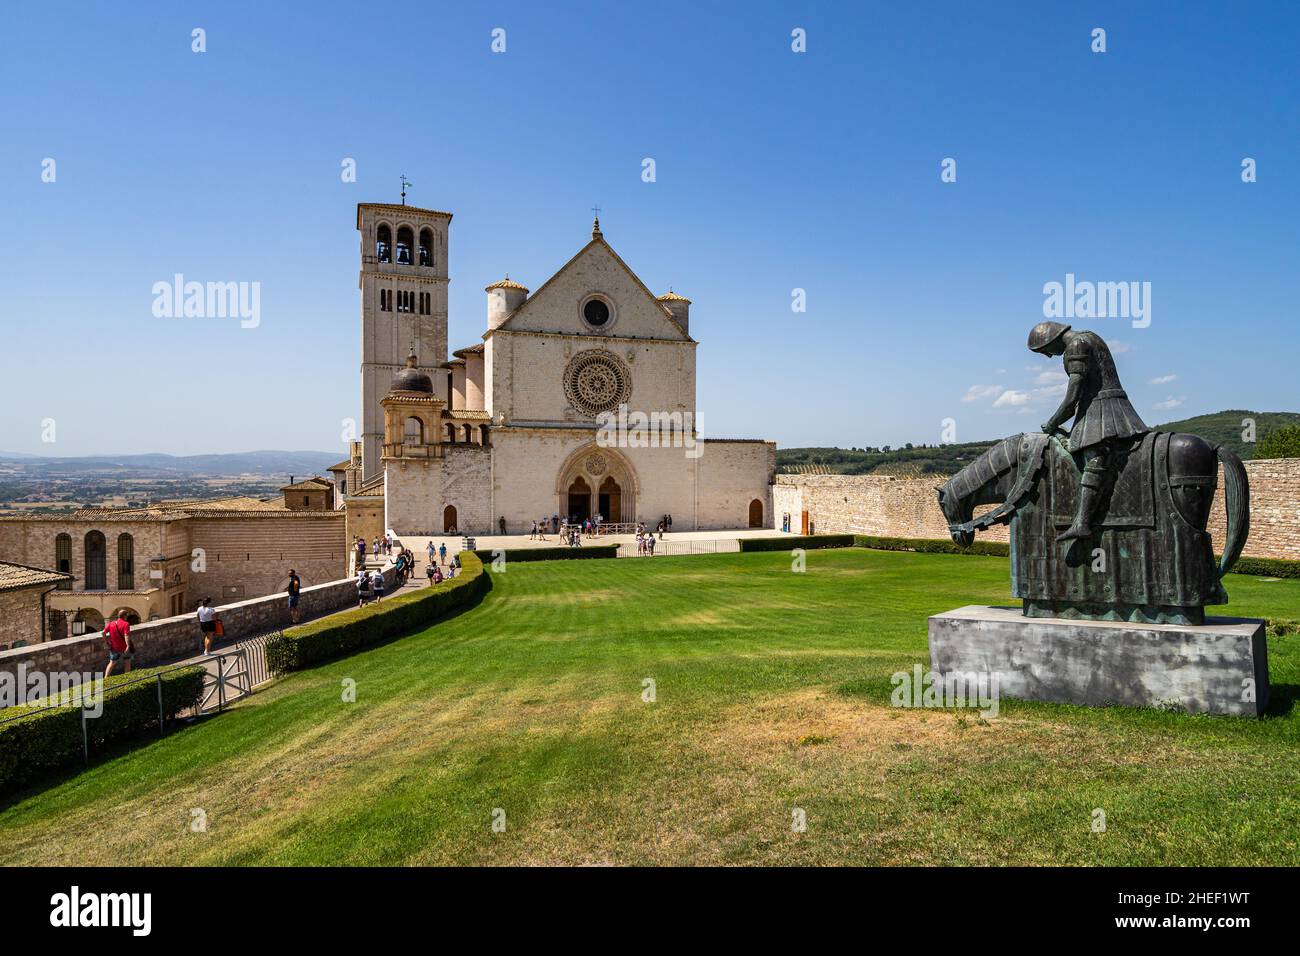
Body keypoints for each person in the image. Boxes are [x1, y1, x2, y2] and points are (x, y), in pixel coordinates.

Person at [1029, 321, 1149, 541]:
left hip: (1103, 408)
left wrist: (1053, 422)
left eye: (1044, 350)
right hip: (1098, 406)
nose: (1047, 356)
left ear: (1051, 339)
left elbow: (1074, 394)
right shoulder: (1087, 337)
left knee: (1093, 456)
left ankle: (1082, 522)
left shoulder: (1077, 344)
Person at [103, 611, 133, 677]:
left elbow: (103, 632)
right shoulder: (126, 624)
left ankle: (106, 678)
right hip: (123, 647)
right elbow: (126, 635)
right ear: (125, 616)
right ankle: (127, 679)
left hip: (113, 647)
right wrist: (128, 646)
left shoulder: (112, 623)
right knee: (127, 662)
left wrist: (106, 642)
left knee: (112, 663)